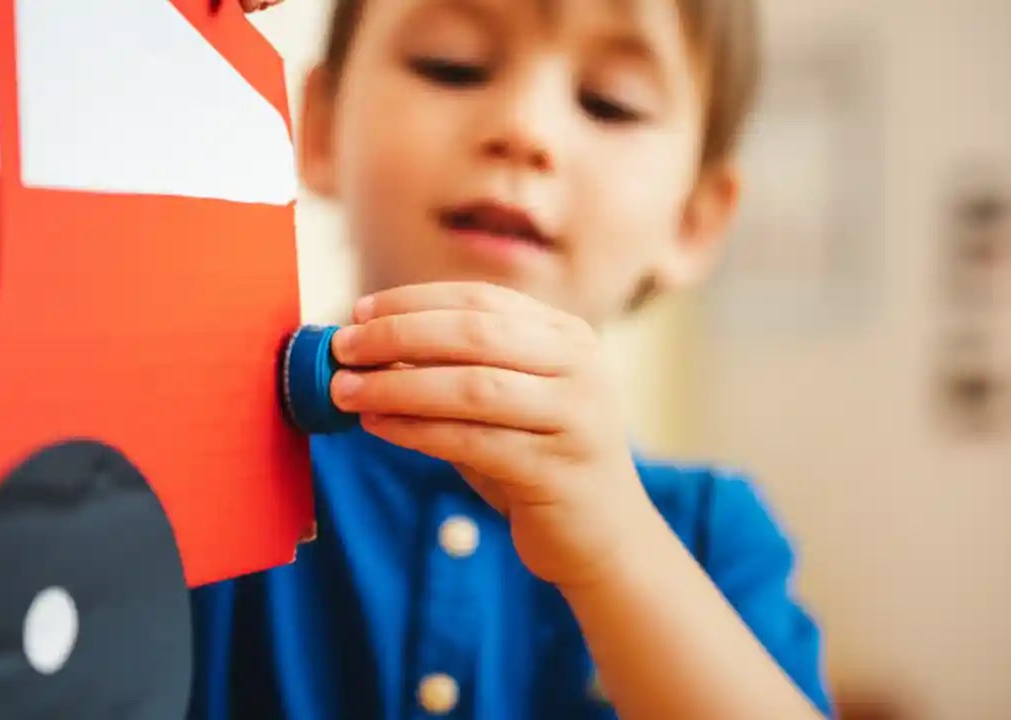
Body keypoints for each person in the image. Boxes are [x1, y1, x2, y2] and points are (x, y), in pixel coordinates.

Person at [194, 0, 833, 717]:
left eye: (609, 104)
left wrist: (614, 551)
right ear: (318, 128)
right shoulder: (201, 452)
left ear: (694, 220)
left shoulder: (711, 539)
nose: (525, 130)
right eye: (452, 64)